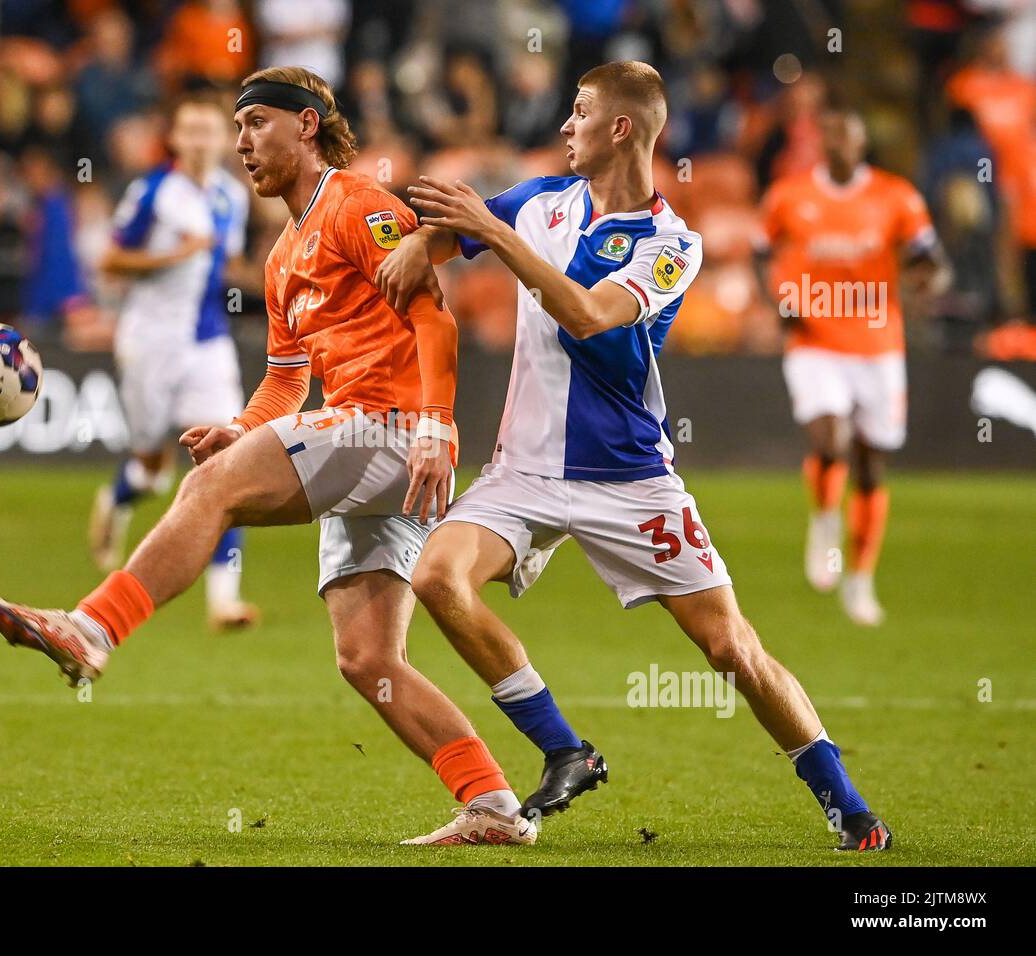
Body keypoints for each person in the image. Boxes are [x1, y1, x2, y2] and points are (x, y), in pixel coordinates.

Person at [0, 67, 539, 847]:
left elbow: (433, 319)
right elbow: (285, 379)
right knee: (367, 659)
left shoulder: (358, 205)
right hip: (371, 445)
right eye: (237, 129)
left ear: (307, 126)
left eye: (256, 124)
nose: (242, 143)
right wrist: (242, 430)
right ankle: (493, 805)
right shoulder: (281, 258)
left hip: (390, 429)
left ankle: (92, 629)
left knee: (209, 491)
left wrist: (435, 427)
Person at [378, 61, 894, 851]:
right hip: (522, 471)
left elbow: (588, 315)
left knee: (730, 648)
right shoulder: (541, 202)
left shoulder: (670, 244)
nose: (565, 125)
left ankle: (848, 808)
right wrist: (423, 243)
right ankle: (565, 749)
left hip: (629, 479)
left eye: (580, 111)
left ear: (621, 128)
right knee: (437, 578)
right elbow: (452, 232)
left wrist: (494, 234)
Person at [754, 106, 948, 625]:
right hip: (814, 339)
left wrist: (929, 278)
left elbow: (930, 259)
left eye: (846, 136)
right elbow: (760, 251)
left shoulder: (896, 196)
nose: (837, 143)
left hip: (878, 346)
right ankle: (824, 520)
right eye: (830, 135)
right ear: (821, 143)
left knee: (870, 466)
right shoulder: (789, 195)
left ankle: (860, 579)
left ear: (862, 143)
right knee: (828, 440)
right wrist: (776, 301)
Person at [88, 93, 259, 631]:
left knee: (227, 461)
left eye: (212, 131)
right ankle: (117, 499)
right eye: (192, 131)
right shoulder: (153, 192)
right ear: (177, 139)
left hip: (208, 341)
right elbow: (111, 260)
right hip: (151, 340)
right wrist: (174, 255)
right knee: (152, 468)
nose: (202, 141)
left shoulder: (234, 195)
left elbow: (228, 263)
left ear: (226, 139)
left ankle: (224, 601)